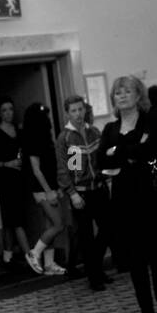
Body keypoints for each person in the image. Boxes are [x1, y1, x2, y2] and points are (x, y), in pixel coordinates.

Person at [98, 75, 157, 313]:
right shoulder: (109, 129)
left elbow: (153, 154)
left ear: (138, 95)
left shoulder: (153, 120)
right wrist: (131, 150)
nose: (122, 96)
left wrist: (119, 153)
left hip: (150, 199)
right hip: (123, 202)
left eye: (127, 91)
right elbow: (101, 161)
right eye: (117, 92)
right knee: (136, 263)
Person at [56, 95, 110, 290]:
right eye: (74, 111)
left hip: (99, 190)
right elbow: (65, 170)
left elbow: (102, 159)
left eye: (81, 109)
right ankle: (94, 277)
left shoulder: (94, 131)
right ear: (68, 113)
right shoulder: (66, 138)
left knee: (108, 228)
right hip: (81, 194)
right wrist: (72, 193)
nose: (78, 114)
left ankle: (95, 267)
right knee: (86, 236)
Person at [0, 99, 31, 269]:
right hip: (5, 179)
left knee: (11, 219)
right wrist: (7, 164)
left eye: (11, 109)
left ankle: (7, 257)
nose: (9, 113)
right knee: (14, 217)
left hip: (20, 179)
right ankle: (30, 257)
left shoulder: (19, 130)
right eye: (4, 110)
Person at [22, 102, 67, 275]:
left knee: (50, 227)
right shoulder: (32, 140)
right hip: (42, 189)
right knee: (58, 225)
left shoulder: (47, 138)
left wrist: (57, 187)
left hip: (51, 186)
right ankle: (35, 253)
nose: (47, 119)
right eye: (44, 116)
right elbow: (36, 170)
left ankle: (49, 264)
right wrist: (49, 190)